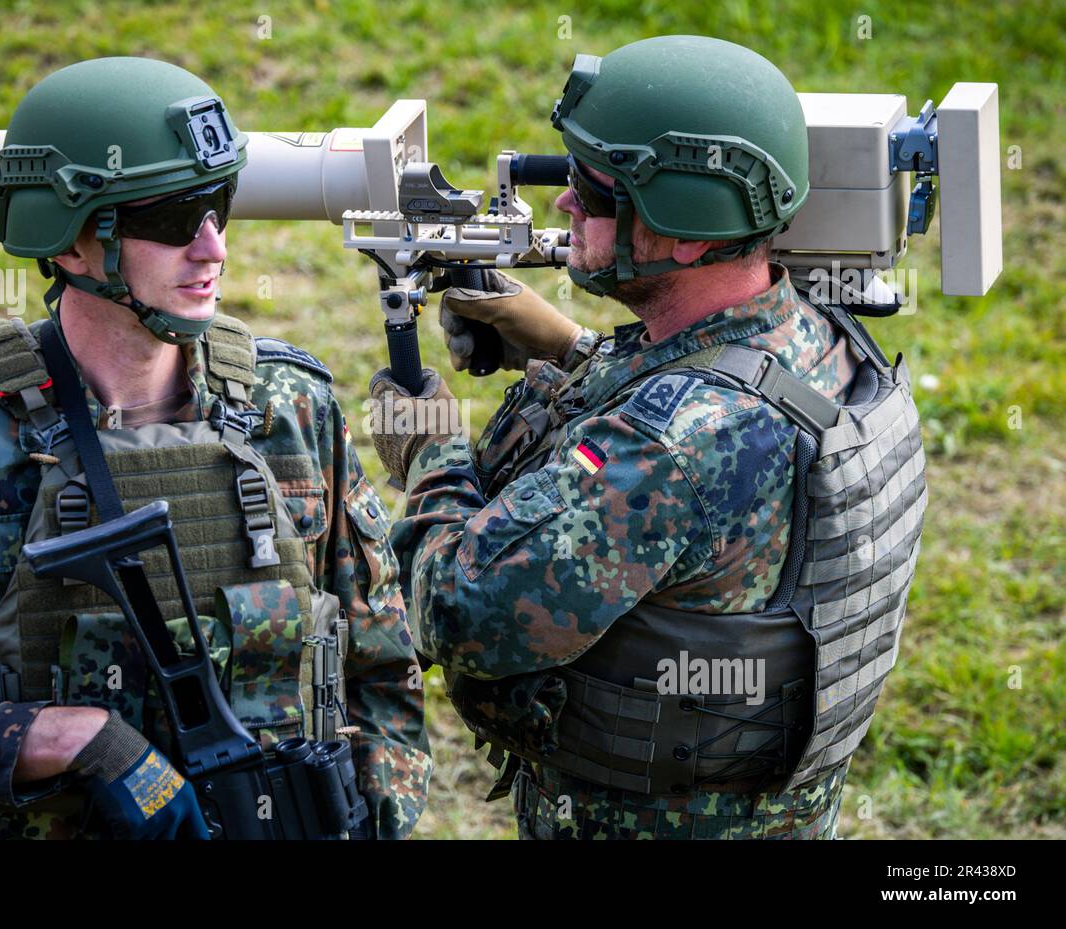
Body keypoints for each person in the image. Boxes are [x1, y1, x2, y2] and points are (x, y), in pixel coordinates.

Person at [0, 56, 431, 839]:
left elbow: (383, 676)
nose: (213, 250)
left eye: (221, 206)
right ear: (72, 244)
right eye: (174, 220)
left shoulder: (290, 409)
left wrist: (364, 820)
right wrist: (73, 742)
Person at [370, 35, 927, 839]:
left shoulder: (669, 451)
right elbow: (720, 411)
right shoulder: (819, 338)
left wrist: (430, 454)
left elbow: (463, 611)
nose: (565, 204)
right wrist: (571, 350)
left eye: (595, 193)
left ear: (689, 232)